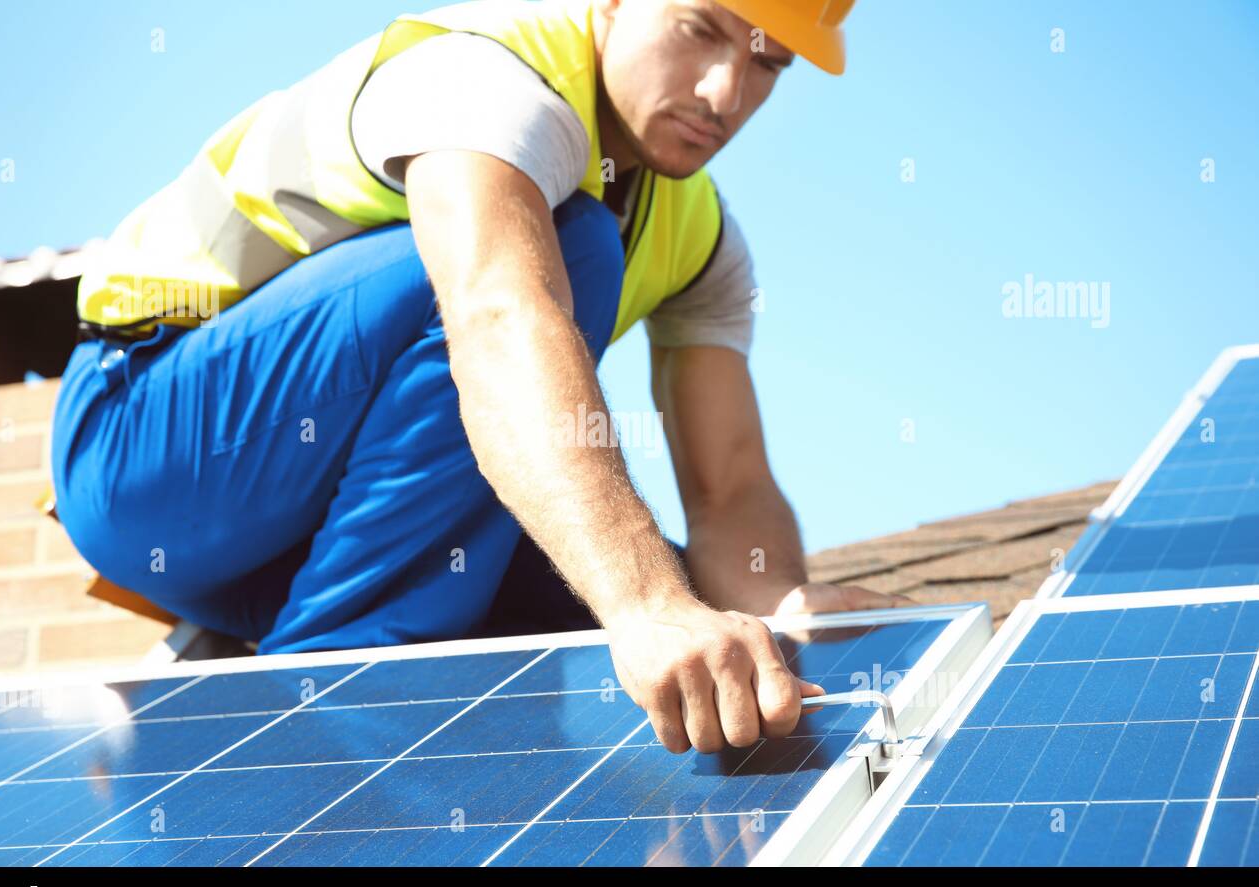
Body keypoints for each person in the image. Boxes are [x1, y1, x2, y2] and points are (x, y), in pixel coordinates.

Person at [52, 0, 911, 754]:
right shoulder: (488, 82)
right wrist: (648, 606)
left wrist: (778, 605)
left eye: (767, 63)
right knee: (573, 257)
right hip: (144, 453)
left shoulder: (704, 239)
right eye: (699, 30)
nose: (726, 93)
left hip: (295, 542)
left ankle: (276, 679)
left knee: (623, 641)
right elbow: (499, 316)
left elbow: (729, 489)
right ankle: (335, 702)